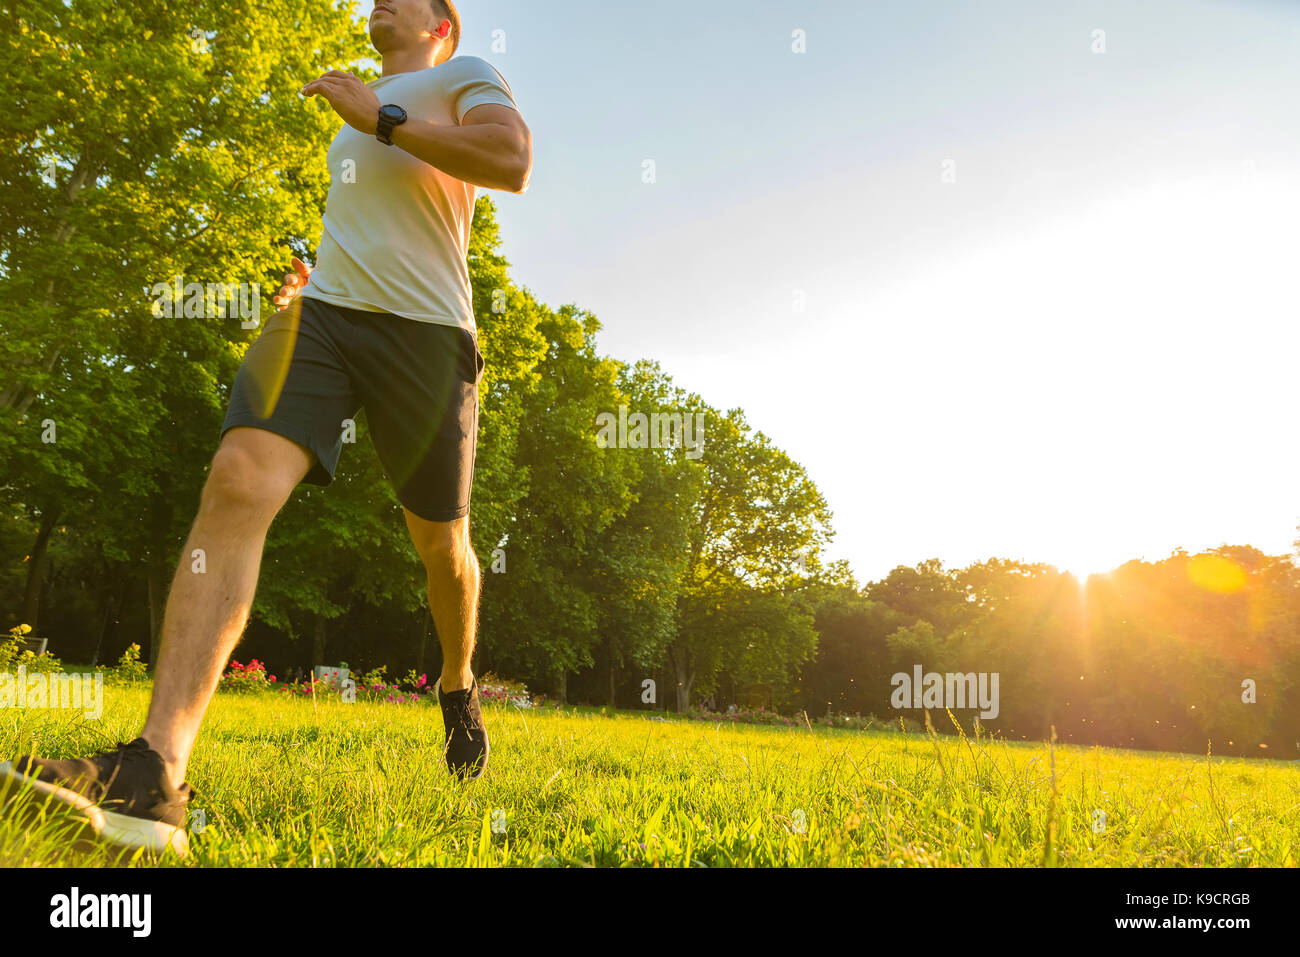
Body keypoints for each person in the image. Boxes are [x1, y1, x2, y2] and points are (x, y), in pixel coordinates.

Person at [0, 0, 532, 857]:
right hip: (322, 318)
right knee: (238, 476)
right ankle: (155, 771)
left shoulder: (460, 78)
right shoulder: (359, 110)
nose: (376, 1)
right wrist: (318, 275)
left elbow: (512, 162)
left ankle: (458, 680)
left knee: (443, 546)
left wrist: (382, 117)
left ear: (442, 24)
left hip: (427, 334)